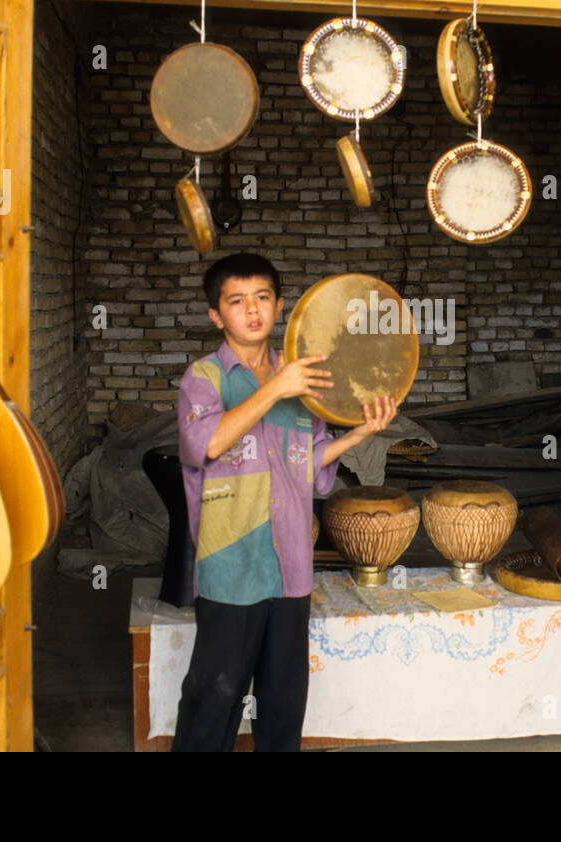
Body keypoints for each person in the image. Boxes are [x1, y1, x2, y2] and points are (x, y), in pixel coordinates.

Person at [171, 253, 395, 752]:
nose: (252, 311)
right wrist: (276, 387)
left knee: (283, 700)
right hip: (231, 565)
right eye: (236, 301)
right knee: (215, 695)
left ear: (278, 306)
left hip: (290, 564)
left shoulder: (303, 381)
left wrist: (359, 432)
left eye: (263, 298)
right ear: (216, 315)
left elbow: (312, 467)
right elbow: (206, 443)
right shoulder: (204, 379)